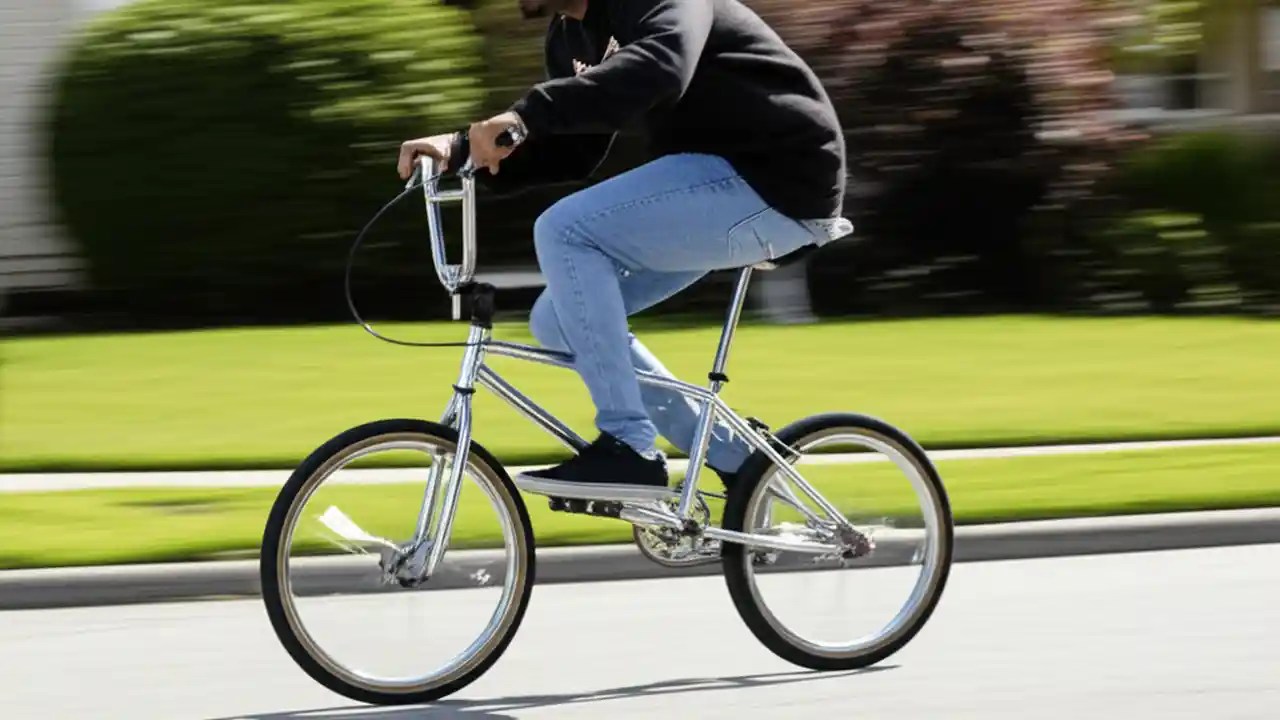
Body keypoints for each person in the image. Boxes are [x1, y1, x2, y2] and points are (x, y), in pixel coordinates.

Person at [397, 0, 848, 501]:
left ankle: (629, 448)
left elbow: (662, 67)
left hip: (777, 181)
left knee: (564, 230)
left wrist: (525, 115)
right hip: (719, 191)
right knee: (556, 320)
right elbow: (576, 147)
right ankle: (740, 462)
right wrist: (460, 151)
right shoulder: (569, 37)